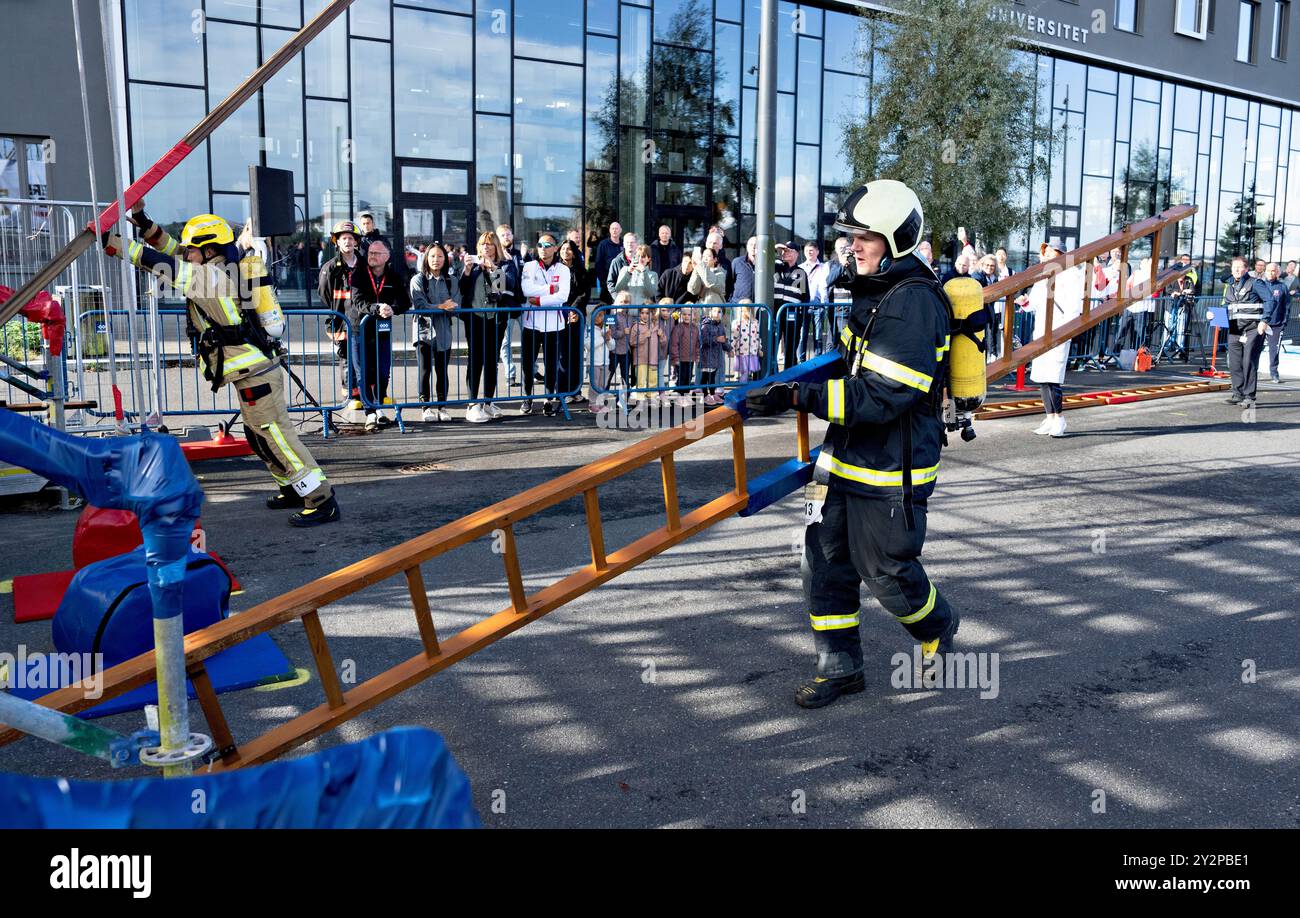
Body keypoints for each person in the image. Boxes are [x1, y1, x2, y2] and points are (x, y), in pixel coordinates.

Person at [744, 179, 958, 708]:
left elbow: (885, 394)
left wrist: (803, 398)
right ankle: (841, 668)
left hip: (891, 469)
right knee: (822, 562)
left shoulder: (912, 303)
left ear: (897, 239)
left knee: (886, 571)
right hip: (845, 460)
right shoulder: (876, 290)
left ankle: (938, 627)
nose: (852, 246)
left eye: (865, 236)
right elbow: (851, 363)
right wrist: (787, 387)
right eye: (851, 236)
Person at [103, 206, 339, 526]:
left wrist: (113, 242)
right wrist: (145, 225)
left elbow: (165, 265)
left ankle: (321, 498)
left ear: (209, 250)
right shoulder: (219, 267)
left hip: (256, 373)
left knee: (275, 436)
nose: (187, 254)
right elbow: (173, 251)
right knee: (258, 436)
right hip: (251, 372)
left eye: (192, 250)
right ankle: (292, 488)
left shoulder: (210, 278)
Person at [348, 239, 410, 431]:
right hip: (360, 329)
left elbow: (404, 302)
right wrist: (376, 308)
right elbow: (358, 301)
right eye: (370, 253)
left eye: (376, 253)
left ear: (387, 257)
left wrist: (393, 308)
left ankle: (379, 405)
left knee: (383, 371)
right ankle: (370, 412)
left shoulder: (394, 276)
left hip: (382, 331)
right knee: (363, 372)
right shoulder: (358, 274)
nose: (371, 256)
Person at [1027, 238, 1085, 438]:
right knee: (1042, 376)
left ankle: (1059, 417)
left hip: (1059, 328)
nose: (1047, 255)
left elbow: (1074, 305)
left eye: (1051, 252)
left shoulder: (1071, 274)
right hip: (1042, 328)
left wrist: (1067, 329)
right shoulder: (1043, 274)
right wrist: (1025, 302)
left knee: (1053, 375)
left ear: (1060, 254)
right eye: (1046, 252)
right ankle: (1050, 416)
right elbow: (1034, 301)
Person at [459, 231, 514, 423]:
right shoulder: (473, 267)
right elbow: (462, 290)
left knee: (492, 360)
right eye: (483, 244)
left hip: (496, 318)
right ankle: (473, 404)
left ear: (496, 246)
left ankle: (489, 402)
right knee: (475, 359)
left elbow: (506, 287)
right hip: (474, 318)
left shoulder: (506, 264)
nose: (486, 247)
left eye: (490, 244)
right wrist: (466, 271)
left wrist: (492, 269)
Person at [519, 232, 571, 417]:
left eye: (547, 245)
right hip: (531, 324)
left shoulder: (563, 269)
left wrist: (539, 301)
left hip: (554, 325)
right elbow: (527, 290)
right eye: (540, 245)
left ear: (555, 248)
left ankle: (548, 399)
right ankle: (527, 396)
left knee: (551, 364)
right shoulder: (529, 266)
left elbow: (563, 295)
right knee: (527, 364)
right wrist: (549, 289)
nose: (543, 248)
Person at [409, 243, 459, 422]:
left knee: (442, 370)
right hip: (423, 331)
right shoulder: (418, 280)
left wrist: (443, 307)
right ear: (425, 258)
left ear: (445, 259)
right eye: (432, 256)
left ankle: (442, 407)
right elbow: (420, 305)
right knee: (424, 370)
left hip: (444, 331)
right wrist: (441, 306)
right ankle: (426, 407)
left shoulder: (451, 280)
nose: (436, 260)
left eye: (439, 256)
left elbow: (455, 304)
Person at [318, 220, 362, 385]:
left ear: (356, 241)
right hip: (340, 320)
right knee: (345, 357)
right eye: (343, 238)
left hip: (361, 320)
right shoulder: (330, 268)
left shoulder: (364, 265)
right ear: (337, 241)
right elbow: (323, 293)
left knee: (363, 357)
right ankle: (349, 393)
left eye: (351, 238)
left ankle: (362, 394)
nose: (348, 241)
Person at [1222, 255, 1267, 407]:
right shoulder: (1230, 286)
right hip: (1235, 326)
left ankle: (1249, 396)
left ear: (1247, 269)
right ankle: (1238, 393)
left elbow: (1270, 301)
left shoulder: (1255, 283)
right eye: (1234, 267)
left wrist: (1264, 321)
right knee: (1234, 363)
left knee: (1248, 361)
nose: (1236, 270)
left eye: (1240, 267)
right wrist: (1215, 316)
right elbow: (1229, 306)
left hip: (1253, 327)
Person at [558, 239, 590, 404]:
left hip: (577, 315)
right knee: (562, 354)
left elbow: (584, 293)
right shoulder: (555, 269)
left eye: (569, 249)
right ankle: (563, 391)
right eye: (563, 249)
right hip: (559, 315)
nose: (566, 252)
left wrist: (574, 309)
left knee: (576, 354)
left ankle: (575, 389)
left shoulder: (581, 270)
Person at [495, 223, 526, 388]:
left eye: (508, 234)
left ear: (512, 235)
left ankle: (532, 371)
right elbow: (499, 285)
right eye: (503, 235)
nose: (506, 237)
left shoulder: (520, 254)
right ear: (498, 238)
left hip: (520, 303)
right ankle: (510, 374)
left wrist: (525, 257)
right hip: (505, 305)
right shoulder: (497, 258)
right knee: (505, 342)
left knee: (529, 339)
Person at [773, 241, 810, 371]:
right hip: (775, 314)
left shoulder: (801, 273)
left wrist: (802, 318)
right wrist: (775, 248)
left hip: (792, 317)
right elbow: (765, 261)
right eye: (784, 251)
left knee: (790, 347)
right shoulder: (776, 266)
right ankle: (773, 376)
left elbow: (806, 298)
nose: (785, 253)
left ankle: (789, 377)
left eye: (788, 251)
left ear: (796, 254)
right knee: (772, 346)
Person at [1258, 262, 1290, 384]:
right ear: (1265, 271)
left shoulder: (1282, 287)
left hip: (1276, 325)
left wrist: (1283, 323)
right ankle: (1252, 370)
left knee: (1274, 351)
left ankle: (1274, 373)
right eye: (1268, 270)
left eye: (1273, 271)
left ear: (1277, 272)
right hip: (1260, 324)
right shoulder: (1260, 285)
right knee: (1255, 348)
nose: (1270, 273)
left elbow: (1286, 307)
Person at [800, 241, 830, 360]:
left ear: (817, 252)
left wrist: (825, 304)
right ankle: (801, 360)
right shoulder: (800, 268)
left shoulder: (823, 267)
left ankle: (817, 359)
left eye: (812, 250)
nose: (809, 253)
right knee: (803, 335)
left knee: (818, 334)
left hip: (818, 305)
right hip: (804, 306)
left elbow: (825, 287)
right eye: (807, 251)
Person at [628, 305, 667, 395]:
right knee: (641, 383)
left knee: (653, 382)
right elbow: (632, 342)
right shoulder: (636, 326)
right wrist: (644, 336)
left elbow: (663, 343)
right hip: (641, 360)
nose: (645, 315)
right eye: (642, 313)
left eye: (647, 313)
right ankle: (640, 401)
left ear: (652, 314)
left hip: (653, 359)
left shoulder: (656, 327)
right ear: (639, 314)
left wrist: (661, 336)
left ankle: (651, 399)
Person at [699, 306, 731, 404]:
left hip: (716, 356)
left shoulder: (720, 325)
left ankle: (712, 394)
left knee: (712, 377)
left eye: (720, 312)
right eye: (715, 311)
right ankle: (704, 395)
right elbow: (703, 340)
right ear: (710, 312)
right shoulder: (706, 325)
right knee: (705, 376)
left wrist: (729, 349)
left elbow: (723, 340)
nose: (717, 313)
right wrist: (716, 339)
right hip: (706, 355)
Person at [731, 303, 764, 382]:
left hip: (752, 351)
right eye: (743, 311)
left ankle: (743, 386)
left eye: (747, 311)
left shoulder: (755, 322)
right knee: (744, 371)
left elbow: (757, 337)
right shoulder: (736, 322)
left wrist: (759, 348)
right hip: (741, 351)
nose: (745, 313)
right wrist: (731, 349)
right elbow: (734, 337)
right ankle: (742, 387)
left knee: (747, 371)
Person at [594, 222, 624, 305]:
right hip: (607, 284)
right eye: (612, 228)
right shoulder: (603, 244)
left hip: (623, 284)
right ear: (610, 231)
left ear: (620, 230)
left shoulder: (624, 244)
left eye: (616, 228)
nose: (614, 230)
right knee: (606, 311)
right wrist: (603, 281)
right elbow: (598, 264)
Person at [606, 232, 641, 298]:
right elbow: (610, 283)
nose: (630, 244)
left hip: (638, 301)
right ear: (624, 245)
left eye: (632, 242)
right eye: (627, 242)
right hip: (622, 302)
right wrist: (617, 298)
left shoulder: (642, 260)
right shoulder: (616, 261)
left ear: (636, 244)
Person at [730, 236, 758, 303]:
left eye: (756, 245)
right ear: (747, 247)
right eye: (751, 244)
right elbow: (729, 283)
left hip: (758, 306)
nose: (753, 247)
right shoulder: (737, 262)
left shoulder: (765, 264)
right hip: (738, 305)